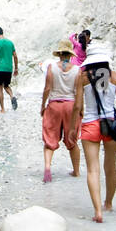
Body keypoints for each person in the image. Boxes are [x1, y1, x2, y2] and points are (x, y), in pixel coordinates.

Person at [73, 40, 116, 221]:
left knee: (92, 170)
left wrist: (73, 128)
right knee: (110, 167)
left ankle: (97, 212)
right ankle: (109, 203)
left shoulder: (82, 78)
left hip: (90, 125)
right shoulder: (114, 76)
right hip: (110, 125)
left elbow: (78, 107)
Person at [40, 39, 81, 182]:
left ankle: (47, 168)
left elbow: (47, 89)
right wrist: (80, 110)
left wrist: (43, 105)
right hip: (70, 106)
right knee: (72, 141)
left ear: (59, 54)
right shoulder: (77, 70)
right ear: (70, 55)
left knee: (50, 138)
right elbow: (78, 93)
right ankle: (76, 171)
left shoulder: (52, 68)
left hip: (54, 106)